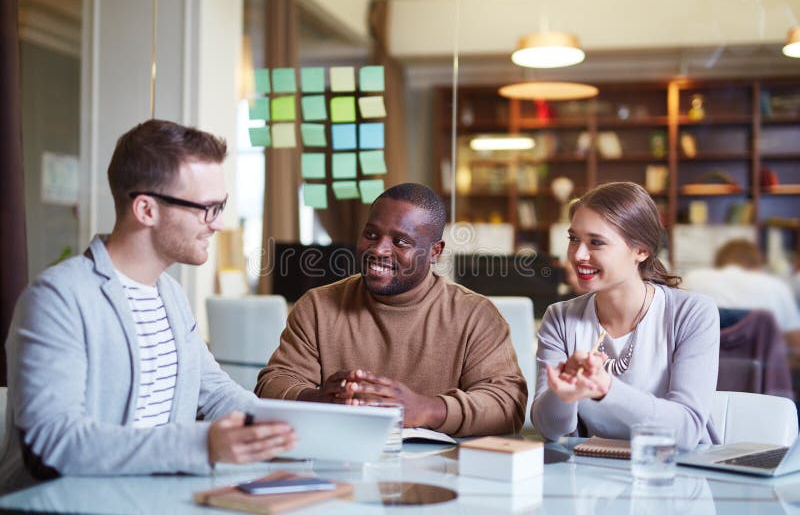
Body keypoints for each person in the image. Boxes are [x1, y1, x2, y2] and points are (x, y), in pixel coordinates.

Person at [0, 120, 295, 493]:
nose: (218, 224)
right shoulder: (57, 298)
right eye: (207, 208)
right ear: (146, 210)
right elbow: (54, 441)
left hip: (152, 497)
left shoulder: (170, 295)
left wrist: (298, 427)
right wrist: (203, 445)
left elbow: (218, 392)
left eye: (220, 206)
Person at [256, 183, 527, 436]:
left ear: (435, 252)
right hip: (345, 465)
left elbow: (508, 406)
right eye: (371, 235)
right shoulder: (317, 306)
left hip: (443, 470)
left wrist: (424, 409)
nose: (378, 250)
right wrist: (321, 399)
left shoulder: (475, 315)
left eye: (400, 241)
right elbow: (272, 384)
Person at [531, 182, 720, 450]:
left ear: (641, 250)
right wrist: (564, 395)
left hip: (678, 472)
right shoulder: (560, 318)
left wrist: (606, 389)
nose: (578, 255)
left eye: (596, 242)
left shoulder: (692, 313)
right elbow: (549, 430)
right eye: (574, 239)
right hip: (595, 477)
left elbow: (686, 430)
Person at [682, 239, 800, 337]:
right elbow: (795, 343)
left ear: (718, 263)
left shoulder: (693, 279)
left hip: (703, 362)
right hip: (763, 363)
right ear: (758, 264)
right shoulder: (777, 287)